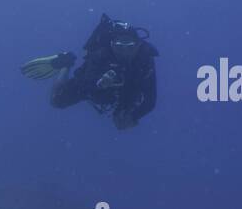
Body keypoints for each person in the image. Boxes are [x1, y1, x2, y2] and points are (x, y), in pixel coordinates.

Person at [21, 14, 157, 130]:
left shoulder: (145, 60)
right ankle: (66, 63)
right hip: (92, 87)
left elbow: (150, 99)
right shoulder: (101, 55)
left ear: (138, 45)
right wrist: (99, 83)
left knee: (122, 119)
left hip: (126, 90)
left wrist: (134, 117)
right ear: (111, 45)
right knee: (56, 101)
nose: (124, 53)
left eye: (130, 47)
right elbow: (85, 82)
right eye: (119, 47)